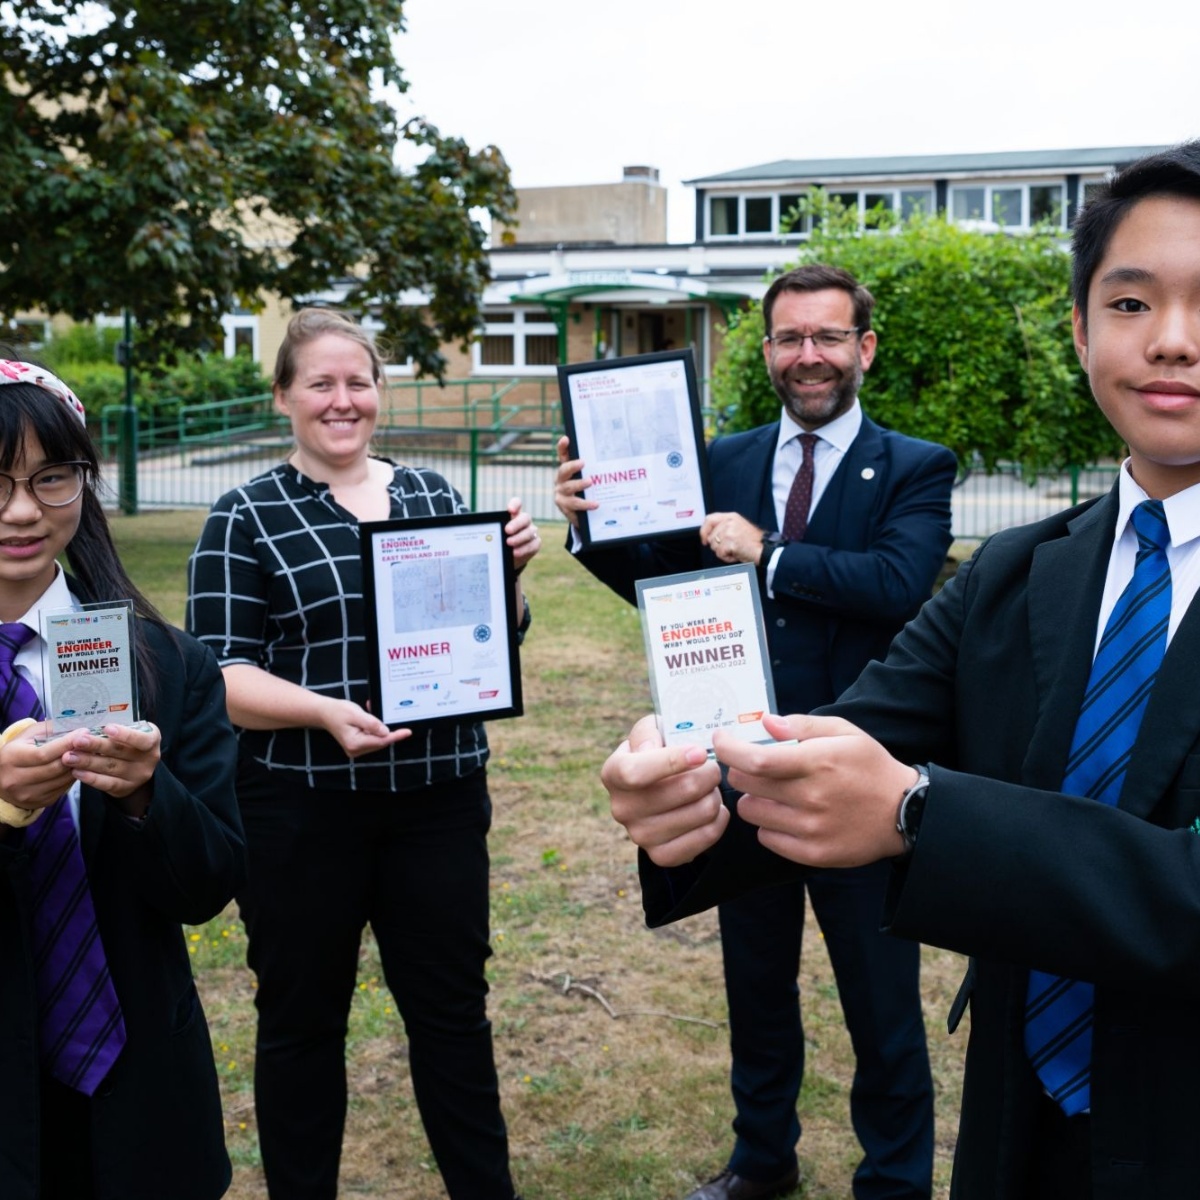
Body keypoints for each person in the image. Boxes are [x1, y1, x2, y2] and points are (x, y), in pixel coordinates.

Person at [600, 141, 1200, 1200]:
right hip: (1023, 1133)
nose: (1174, 342)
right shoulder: (1022, 575)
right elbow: (847, 732)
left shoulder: (915, 477)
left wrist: (921, 815)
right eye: (1131, 304)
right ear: (1079, 328)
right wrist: (695, 780)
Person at [555, 265, 957, 1200]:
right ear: (767, 352)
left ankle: (894, 1180)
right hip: (740, 769)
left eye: (826, 337)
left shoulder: (915, 467)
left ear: (862, 349)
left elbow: (897, 585)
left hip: (858, 776)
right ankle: (760, 1162)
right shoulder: (722, 462)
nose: (807, 356)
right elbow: (661, 582)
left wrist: (766, 553)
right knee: (757, 990)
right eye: (789, 339)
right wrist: (593, 525)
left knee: (881, 1002)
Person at [186, 308, 539, 1200]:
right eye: (321, 384)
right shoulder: (243, 516)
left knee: (452, 1020)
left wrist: (512, 582)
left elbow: (488, 638)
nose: (344, 402)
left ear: (379, 393)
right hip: (303, 808)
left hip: (439, 798)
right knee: (302, 1025)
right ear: (284, 398)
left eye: (359, 383)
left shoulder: (430, 498)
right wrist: (324, 712)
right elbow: (220, 675)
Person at [0, 358, 245, 1200]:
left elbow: (209, 881)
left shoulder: (166, 663)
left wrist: (148, 794)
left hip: (138, 1088)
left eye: (51, 478)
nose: (22, 511)